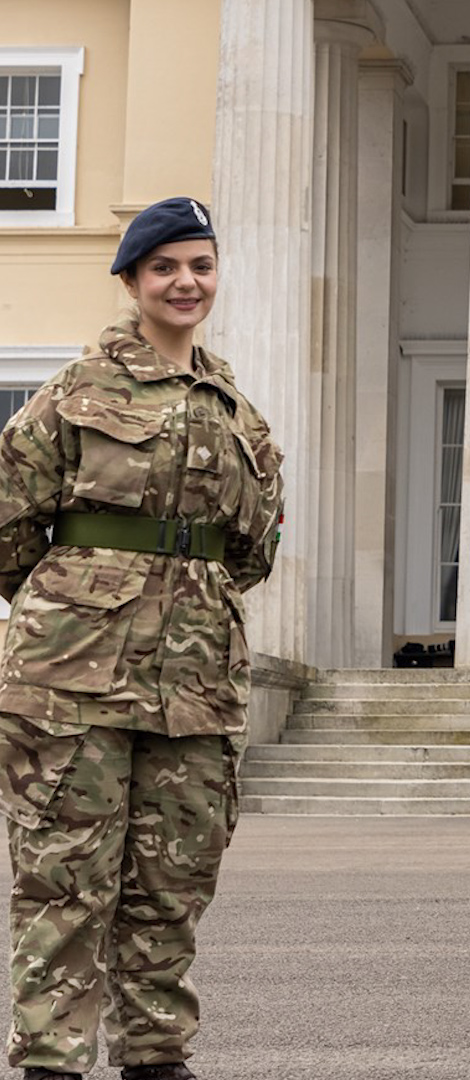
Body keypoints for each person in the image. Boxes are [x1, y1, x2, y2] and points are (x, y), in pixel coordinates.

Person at [0, 197, 284, 1080]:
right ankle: (51, 1062)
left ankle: (157, 1058)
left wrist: (181, 605)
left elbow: (254, 547)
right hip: (68, 682)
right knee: (66, 881)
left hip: (196, 683)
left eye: (199, 265)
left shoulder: (237, 409)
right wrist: (82, 603)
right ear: (131, 280)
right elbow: (10, 527)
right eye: (164, 267)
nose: (185, 282)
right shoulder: (73, 393)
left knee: (173, 884)